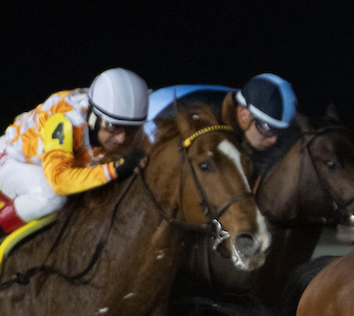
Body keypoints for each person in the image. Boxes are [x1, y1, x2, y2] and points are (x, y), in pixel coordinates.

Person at [0, 68, 148, 234]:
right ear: (94, 118)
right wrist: (114, 169)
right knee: (52, 197)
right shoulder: (65, 122)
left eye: (130, 130)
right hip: (10, 159)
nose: (121, 138)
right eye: (113, 127)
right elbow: (59, 181)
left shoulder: (112, 113)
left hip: (47, 164)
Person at [143, 73, 297, 153]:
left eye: (281, 132)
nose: (274, 140)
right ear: (244, 115)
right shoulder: (207, 118)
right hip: (150, 119)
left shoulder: (242, 110)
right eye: (267, 128)